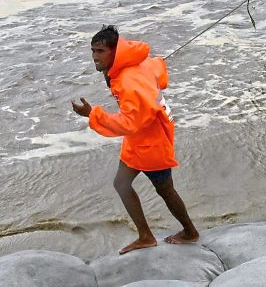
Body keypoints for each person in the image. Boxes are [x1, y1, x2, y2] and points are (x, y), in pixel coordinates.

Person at [72, 25, 199, 253]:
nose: (94, 57)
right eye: (93, 50)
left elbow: (130, 122)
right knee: (121, 184)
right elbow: (158, 67)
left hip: (151, 143)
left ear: (114, 52)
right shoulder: (132, 64)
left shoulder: (129, 81)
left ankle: (189, 232)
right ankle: (146, 235)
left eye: (100, 51)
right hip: (138, 141)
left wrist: (93, 115)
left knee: (165, 190)